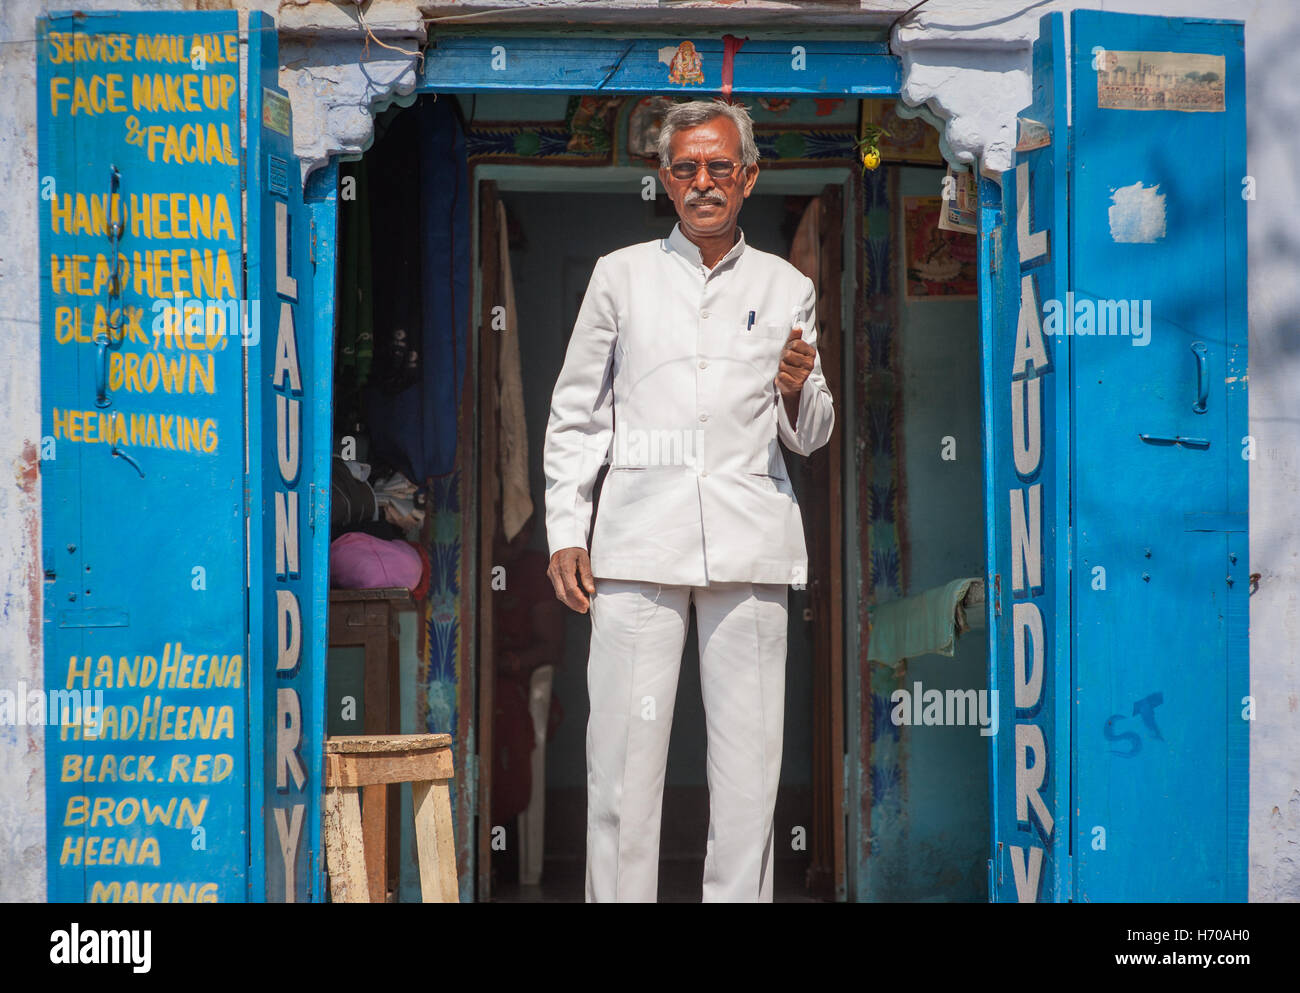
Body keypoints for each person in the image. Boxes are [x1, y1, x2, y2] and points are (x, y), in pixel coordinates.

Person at [542, 99, 834, 902]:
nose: (703, 182)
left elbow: (809, 433)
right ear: (663, 179)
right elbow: (576, 413)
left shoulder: (787, 288)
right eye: (685, 168)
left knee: (748, 774)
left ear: (748, 177)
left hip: (750, 547)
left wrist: (800, 387)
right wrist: (568, 527)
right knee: (624, 772)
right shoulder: (620, 276)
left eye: (718, 167)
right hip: (636, 546)